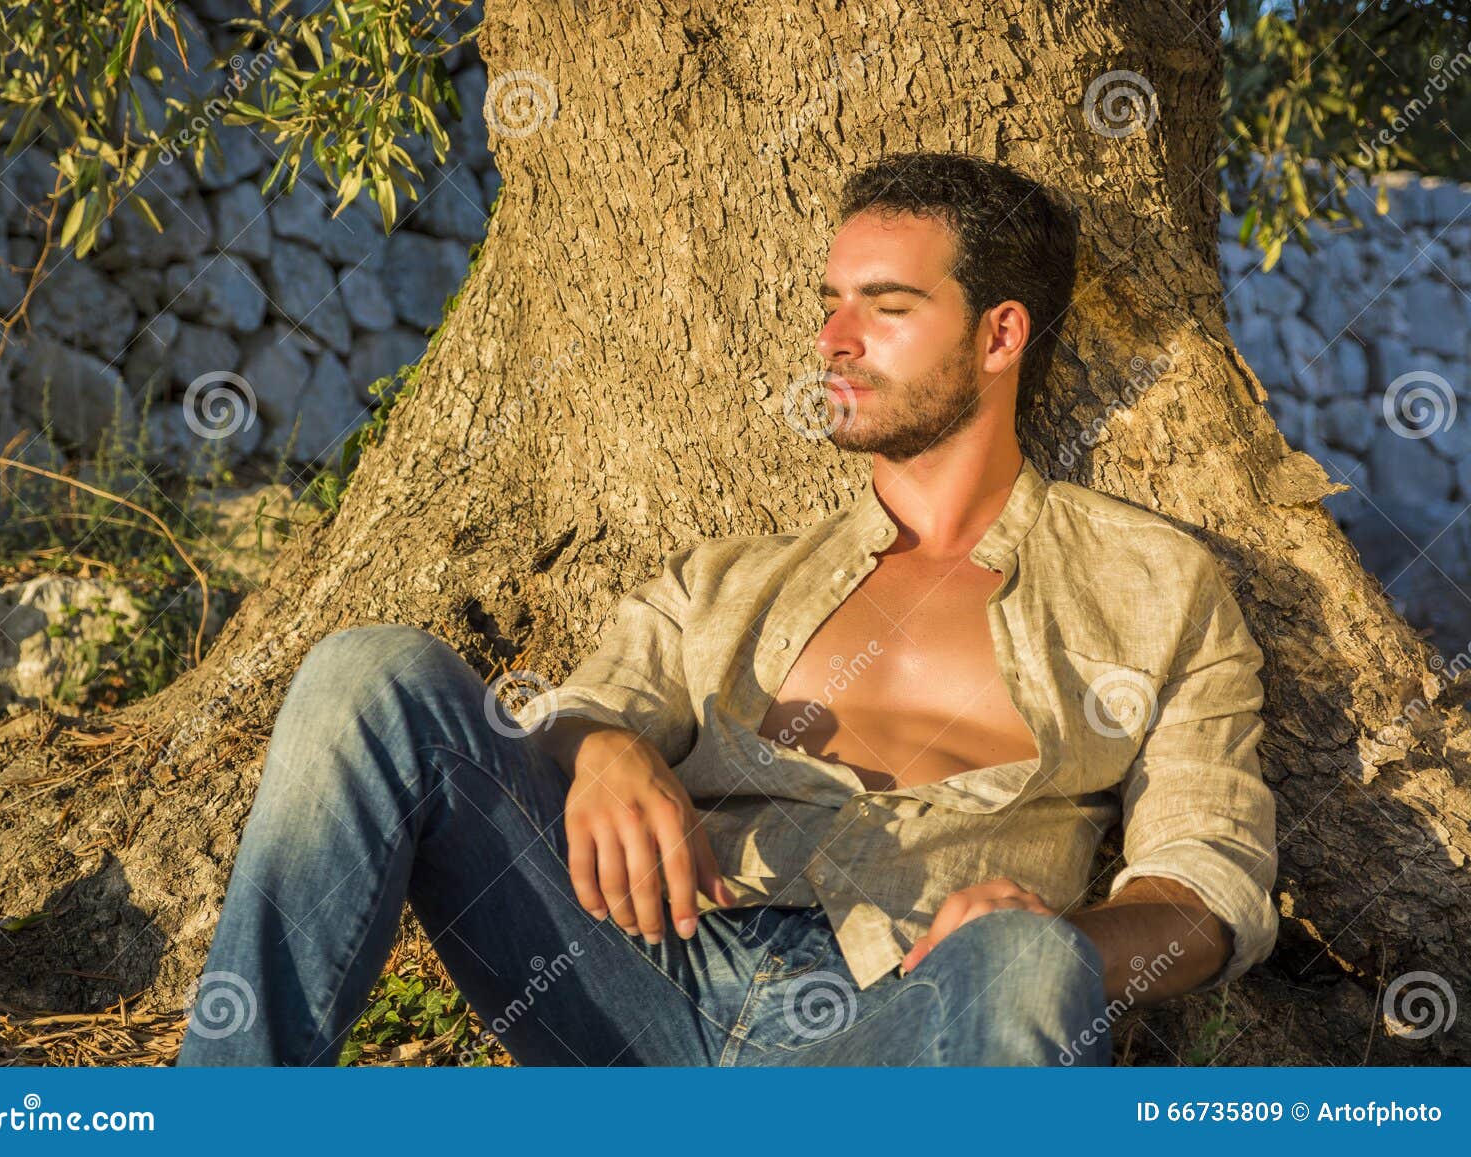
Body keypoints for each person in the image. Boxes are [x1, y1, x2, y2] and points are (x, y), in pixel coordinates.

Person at [176, 151, 1278, 1067]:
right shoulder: (730, 579)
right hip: (636, 983)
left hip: (893, 1029)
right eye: (831, 303)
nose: (833, 340)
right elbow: (576, 710)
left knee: (1032, 966)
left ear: (998, 336)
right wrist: (603, 746)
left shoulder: (1153, 586)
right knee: (373, 672)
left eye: (886, 307)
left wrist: (1058, 937)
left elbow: (1207, 882)